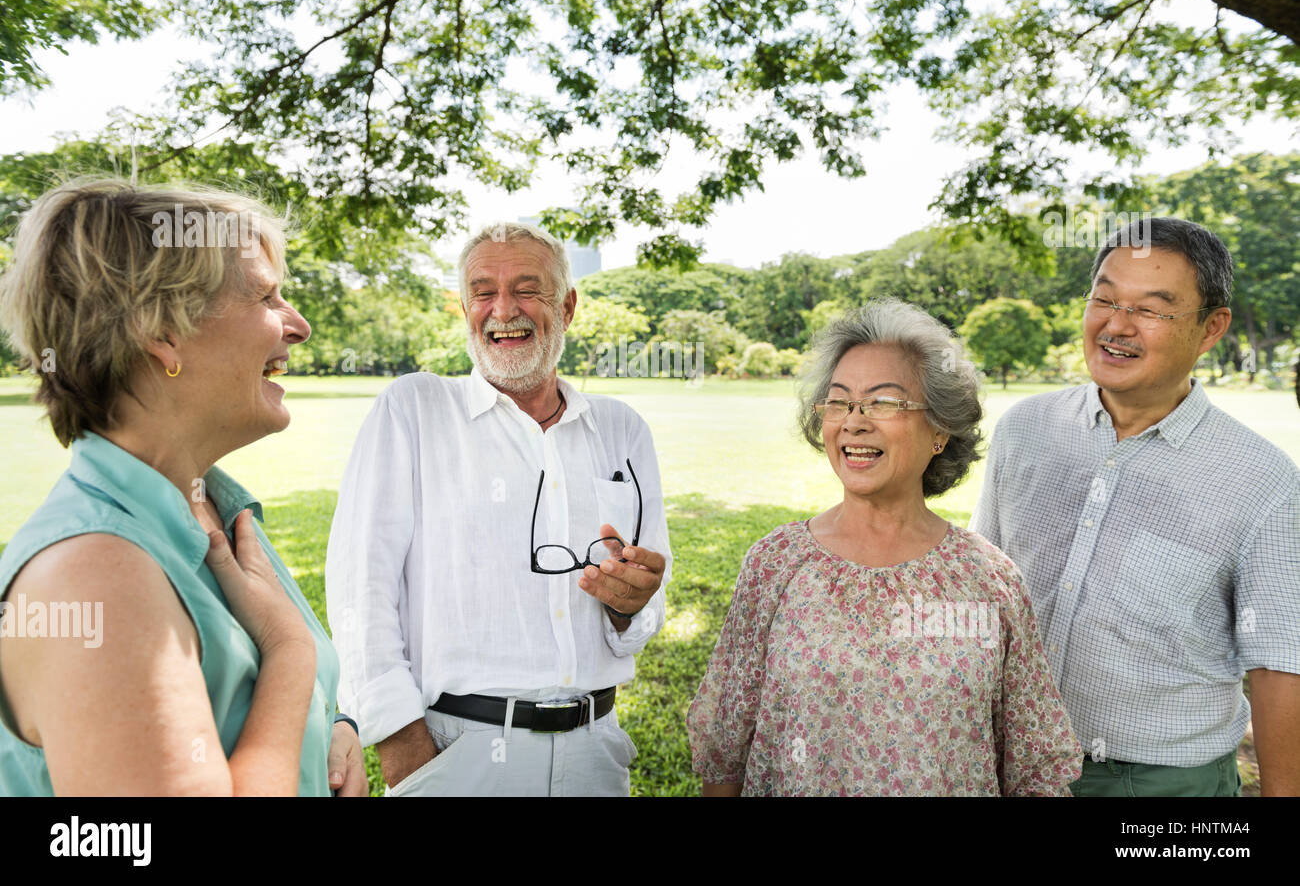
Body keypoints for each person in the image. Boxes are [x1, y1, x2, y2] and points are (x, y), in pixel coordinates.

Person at [0, 179, 364, 796]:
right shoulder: (94, 573)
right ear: (161, 329)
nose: (297, 326)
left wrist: (329, 727)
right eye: (266, 297)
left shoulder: (212, 510)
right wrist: (290, 656)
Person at [324, 221, 671, 796]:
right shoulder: (415, 409)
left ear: (568, 306)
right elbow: (360, 587)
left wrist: (629, 609)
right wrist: (401, 743)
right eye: (483, 292)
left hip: (596, 752)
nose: (503, 309)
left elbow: (650, 596)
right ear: (465, 309)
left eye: (527, 290)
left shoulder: (622, 428)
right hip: (454, 751)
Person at [687, 300, 1080, 796]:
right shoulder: (776, 563)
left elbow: (1036, 767)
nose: (854, 421)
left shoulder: (988, 577)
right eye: (839, 401)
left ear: (939, 428)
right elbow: (724, 749)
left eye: (884, 402)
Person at [971, 217, 1300, 797]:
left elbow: (1279, 666)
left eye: (1151, 309)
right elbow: (985, 591)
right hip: (1009, 764)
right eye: (1103, 299)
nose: (1116, 325)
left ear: (1210, 328)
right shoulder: (1025, 429)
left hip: (1161, 786)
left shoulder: (1264, 481)